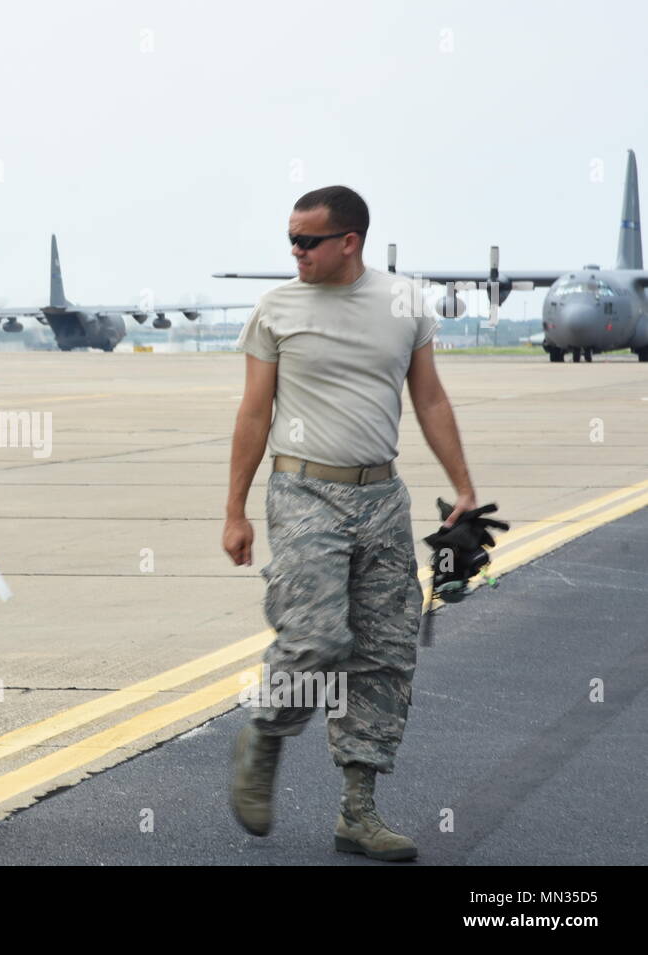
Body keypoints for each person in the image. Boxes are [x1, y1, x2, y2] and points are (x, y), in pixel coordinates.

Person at [223, 185, 475, 862]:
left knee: (386, 653)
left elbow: (429, 398)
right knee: (315, 637)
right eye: (291, 240)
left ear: (349, 242)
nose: (295, 252)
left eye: (307, 241)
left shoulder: (402, 305)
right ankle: (267, 733)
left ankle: (358, 812)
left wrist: (464, 490)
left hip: (382, 496)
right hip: (303, 490)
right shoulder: (277, 309)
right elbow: (253, 413)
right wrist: (235, 510)